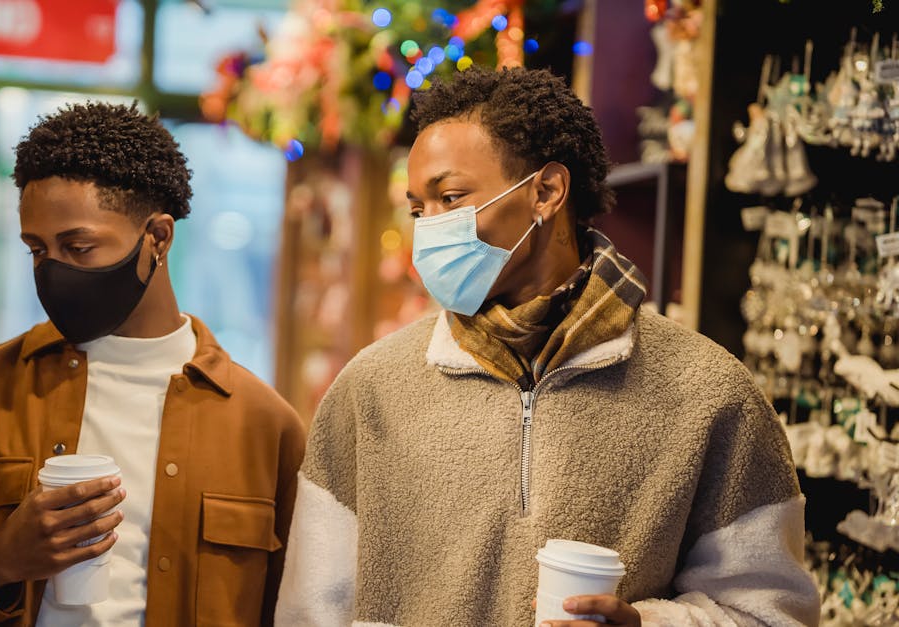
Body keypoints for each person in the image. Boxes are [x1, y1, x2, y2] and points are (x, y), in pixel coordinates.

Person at [275, 67, 819, 627]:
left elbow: (771, 613)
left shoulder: (705, 391)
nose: (429, 231)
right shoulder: (372, 387)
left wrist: (649, 626)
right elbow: (311, 611)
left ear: (546, 191)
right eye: (419, 209)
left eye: (451, 197)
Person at [0, 102, 306, 626]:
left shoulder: (264, 425)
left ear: (158, 238)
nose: (53, 273)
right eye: (37, 251)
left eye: (79, 247)